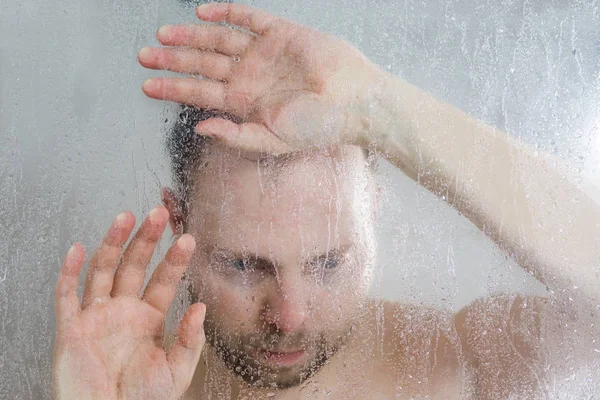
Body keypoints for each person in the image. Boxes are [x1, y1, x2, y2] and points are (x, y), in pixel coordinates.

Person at [51, 3, 600, 399]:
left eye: (330, 263)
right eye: (242, 265)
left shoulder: (453, 362)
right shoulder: (118, 383)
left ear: (374, 211)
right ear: (180, 226)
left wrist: (382, 111)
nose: (288, 315)